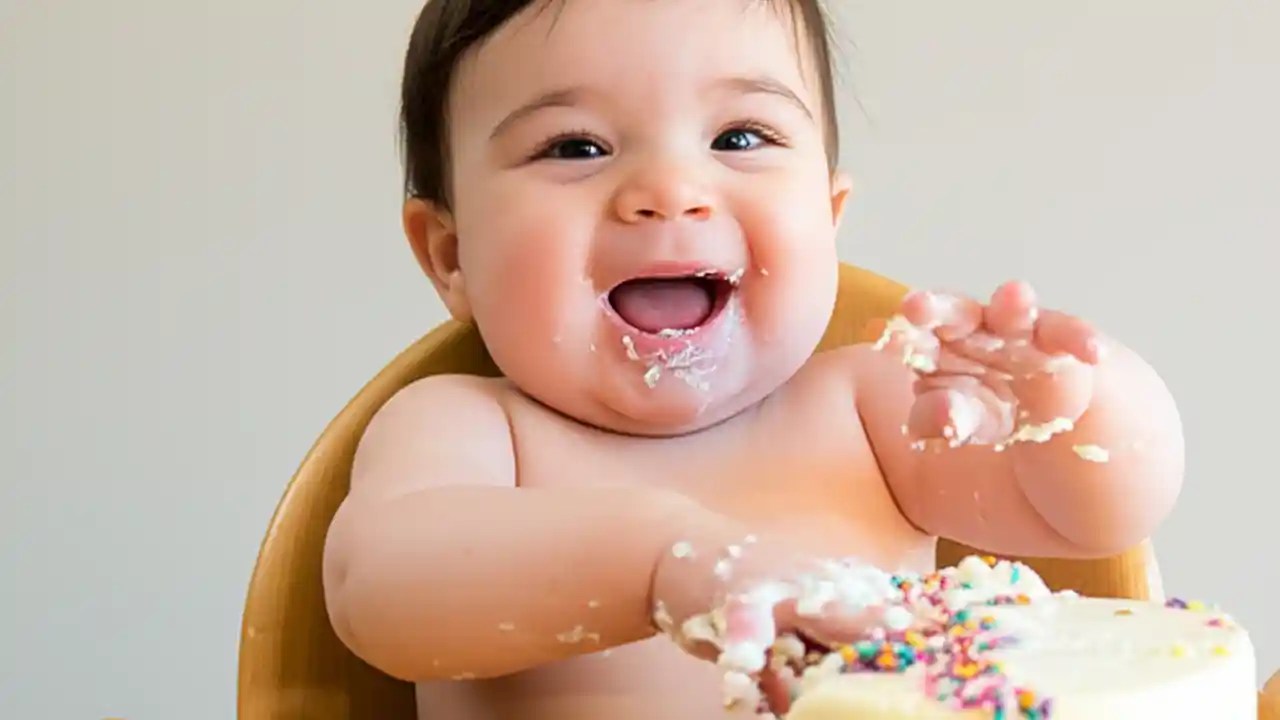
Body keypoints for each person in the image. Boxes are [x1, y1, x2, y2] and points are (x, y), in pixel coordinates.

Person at [321, 1, 1184, 718]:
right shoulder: (470, 430)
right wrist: (663, 562)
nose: (671, 191)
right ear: (452, 254)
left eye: (738, 137)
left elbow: (1096, 518)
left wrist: (1072, 406)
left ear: (829, 217)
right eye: (576, 146)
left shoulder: (875, 412)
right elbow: (381, 593)